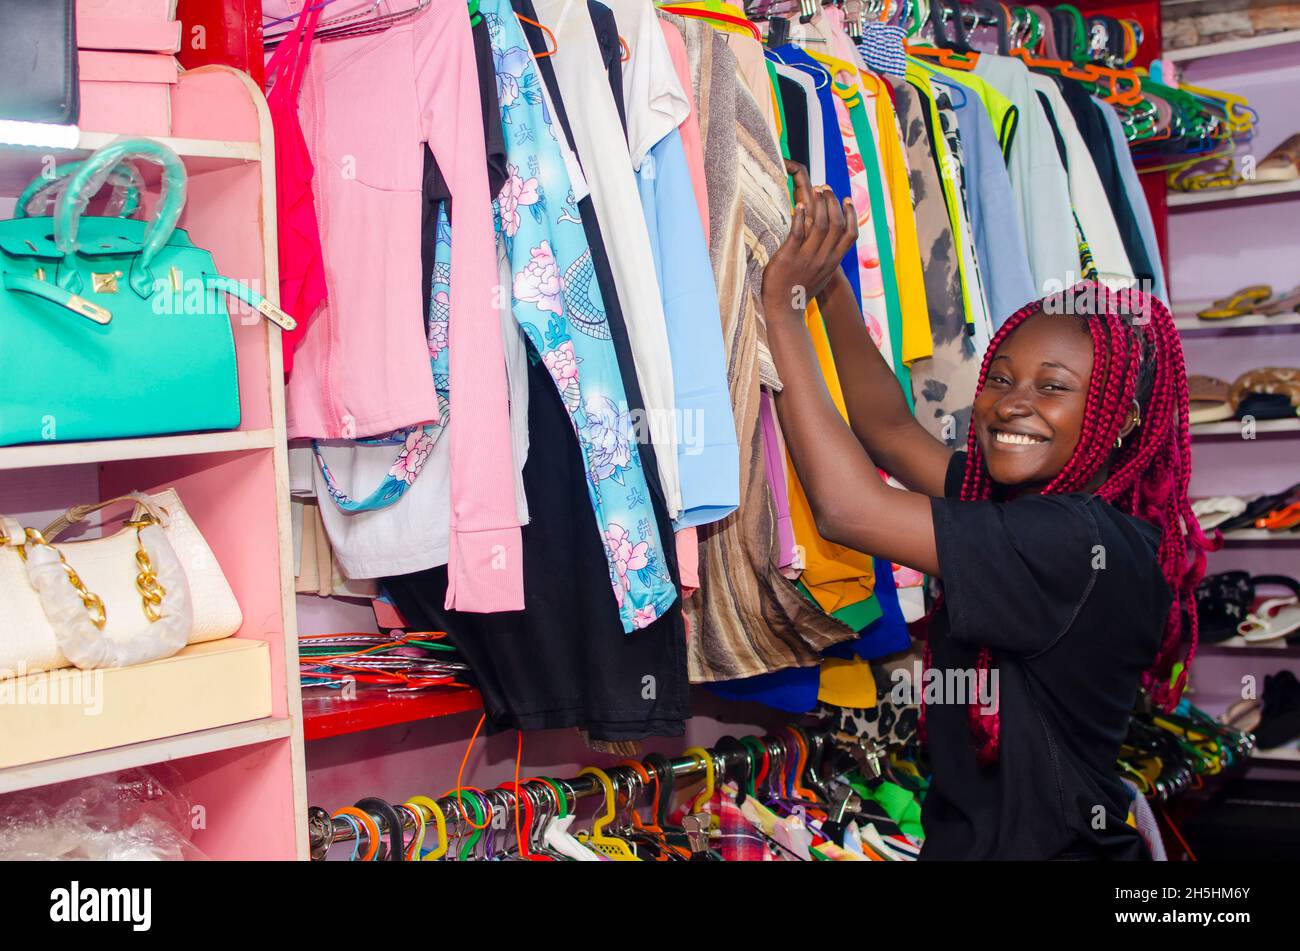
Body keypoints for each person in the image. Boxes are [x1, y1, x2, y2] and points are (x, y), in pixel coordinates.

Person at [762, 163, 1213, 861]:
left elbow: (848, 510)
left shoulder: (1069, 540)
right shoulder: (1041, 509)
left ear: (1121, 419)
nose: (1012, 403)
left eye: (1052, 386)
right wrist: (827, 286)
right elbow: (890, 430)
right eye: (1000, 379)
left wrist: (780, 310)